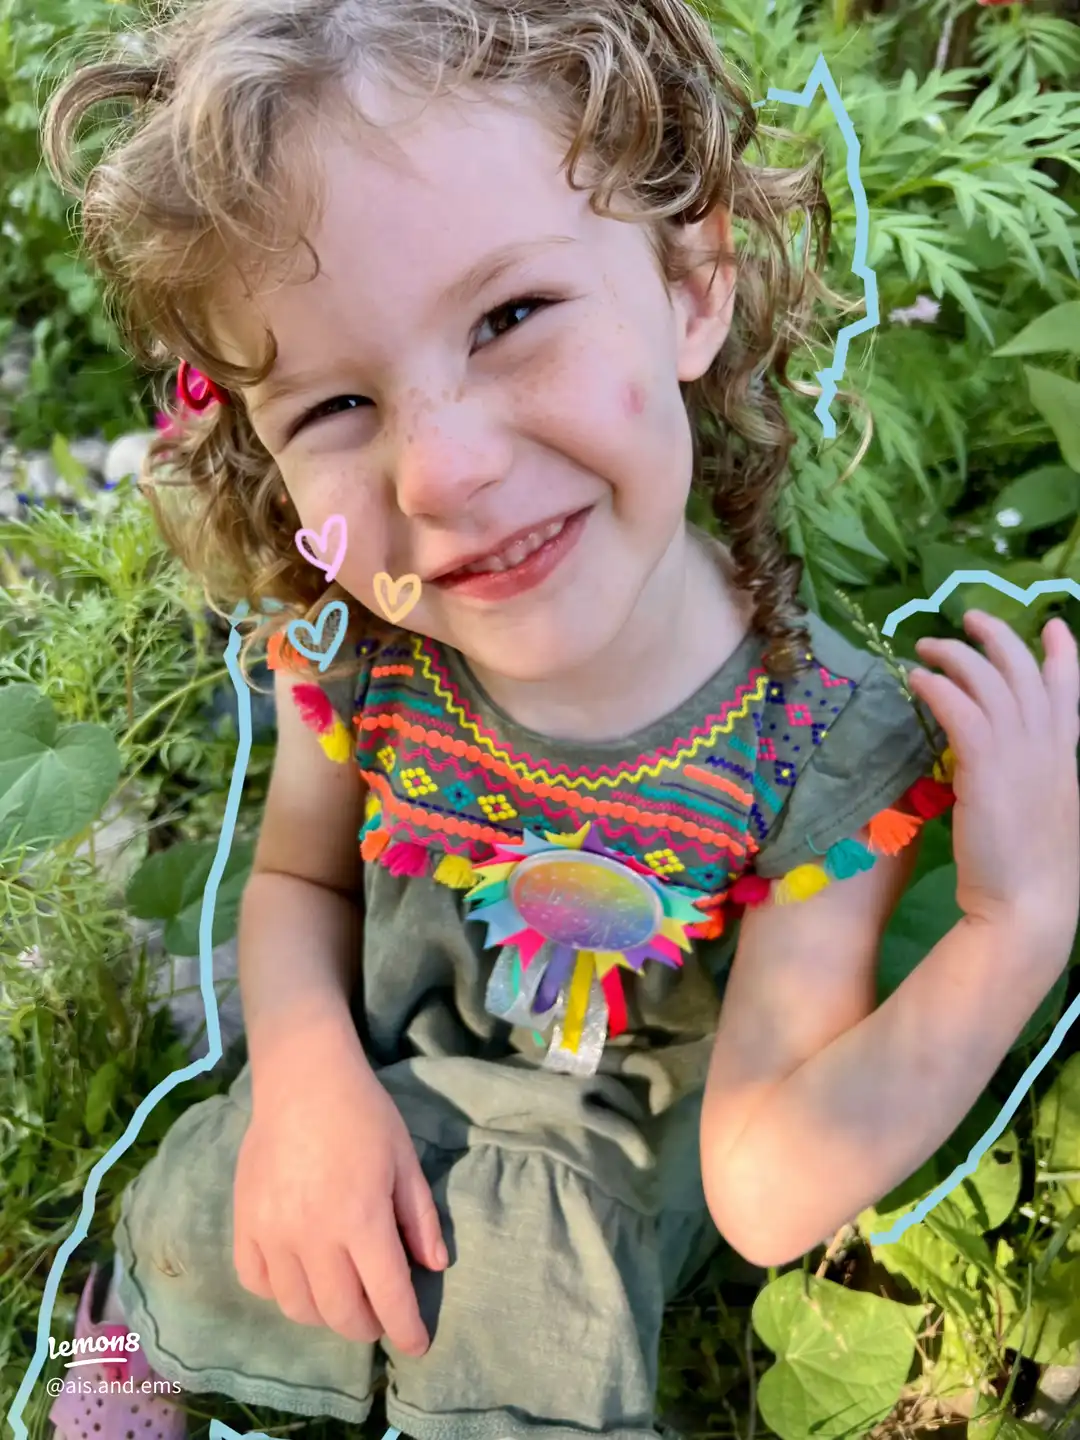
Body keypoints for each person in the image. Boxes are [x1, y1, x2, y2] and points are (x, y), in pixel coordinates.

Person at [42, 0, 1080, 1435]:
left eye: (510, 317)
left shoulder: (813, 752)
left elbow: (765, 1188)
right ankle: (142, 1350)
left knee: (527, 1310)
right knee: (198, 1205)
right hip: (353, 1083)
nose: (443, 472)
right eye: (335, 406)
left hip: (576, 1193)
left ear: (692, 283)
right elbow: (297, 883)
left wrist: (1013, 924)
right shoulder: (362, 649)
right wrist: (306, 1081)